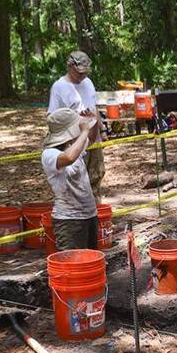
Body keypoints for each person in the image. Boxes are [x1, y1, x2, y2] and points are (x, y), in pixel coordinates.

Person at [41, 108, 98, 251]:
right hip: (69, 220)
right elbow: (69, 158)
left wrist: (93, 122)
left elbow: (90, 138)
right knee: (73, 266)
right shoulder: (49, 154)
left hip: (89, 214)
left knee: (90, 263)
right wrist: (84, 131)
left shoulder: (73, 146)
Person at [48, 51, 105, 193]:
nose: (82, 76)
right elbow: (51, 118)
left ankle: (96, 210)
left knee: (96, 176)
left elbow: (94, 107)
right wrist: (74, 118)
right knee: (77, 181)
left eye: (85, 73)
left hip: (93, 140)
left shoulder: (88, 82)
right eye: (79, 73)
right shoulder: (59, 86)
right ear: (70, 66)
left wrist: (101, 128)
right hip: (74, 142)